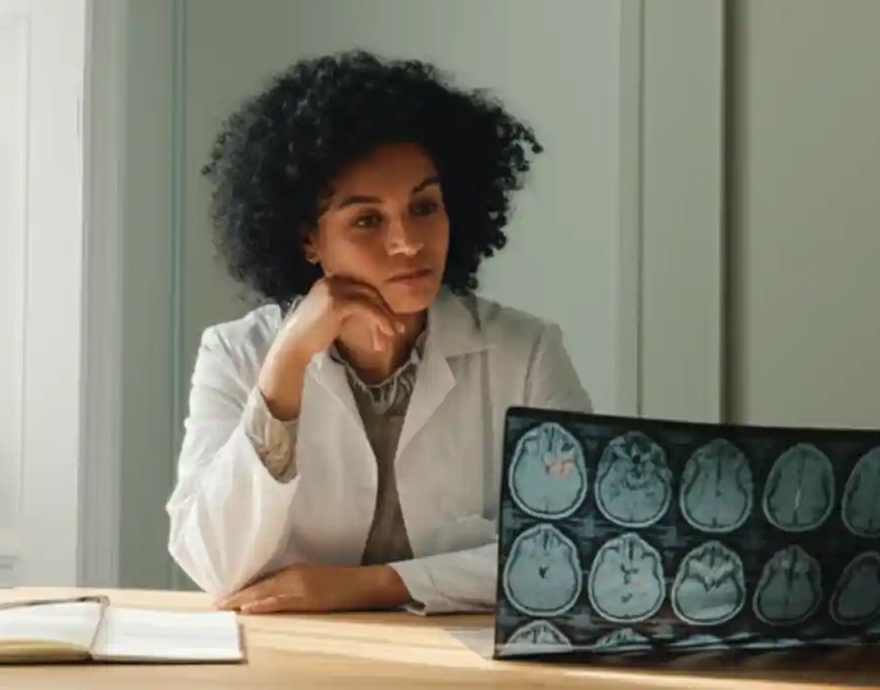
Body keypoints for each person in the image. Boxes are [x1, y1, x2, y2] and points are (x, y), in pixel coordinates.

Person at [166, 50, 592, 615]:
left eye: (425, 206)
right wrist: (286, 366)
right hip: (292, 654)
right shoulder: (238, 355)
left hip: (462, 657)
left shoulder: (528, 353)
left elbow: (576, 548)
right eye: (367, 219)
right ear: (309, 239)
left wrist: (373, 585)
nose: (408, 242)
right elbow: (214, 565)